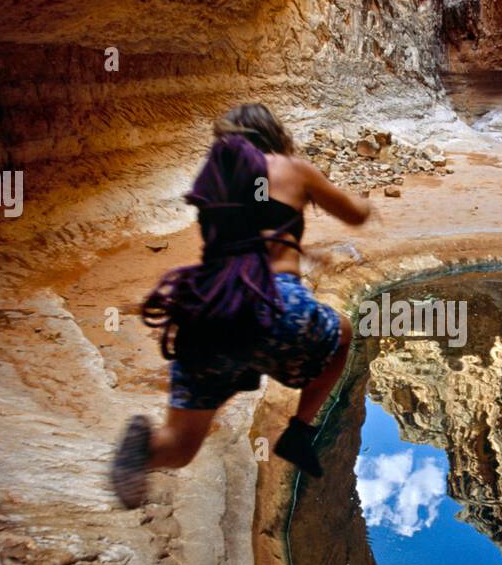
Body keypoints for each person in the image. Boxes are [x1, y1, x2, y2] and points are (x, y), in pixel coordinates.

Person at [110, 103, 371, 507]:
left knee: (179, 448)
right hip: (274, 304)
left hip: (211, 311)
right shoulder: (291, 167)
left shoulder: (217, 183)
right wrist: (365, 201)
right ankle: (299, 432)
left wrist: (303, 251)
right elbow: (355, 215)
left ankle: (146, 445)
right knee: (344, 332)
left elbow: (244, 244)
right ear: (274, 135)